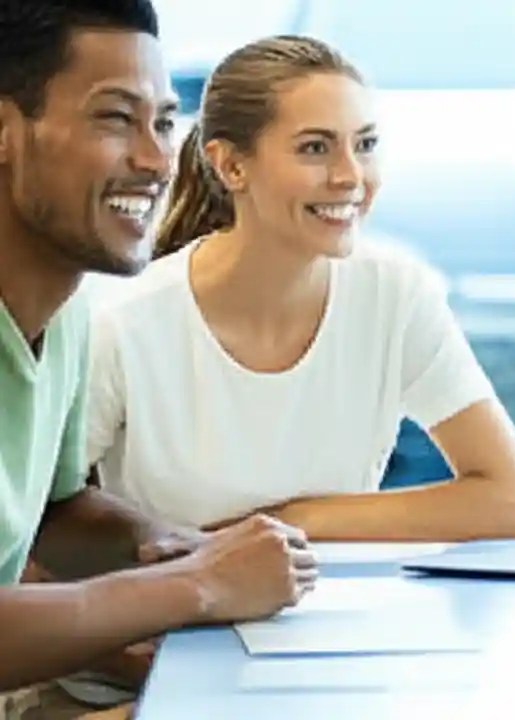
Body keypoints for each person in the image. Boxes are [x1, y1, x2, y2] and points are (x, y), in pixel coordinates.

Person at [85, 34, 515, 542]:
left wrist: (290, 524)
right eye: (315, 148)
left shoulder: (395, 294)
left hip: (334, 613)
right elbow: (40, 523)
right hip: (178, 616)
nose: (351, 176)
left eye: (365, 144)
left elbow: (510, 505)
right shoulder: (123, 323)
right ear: (231, 165)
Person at [0, 0, 317, 716]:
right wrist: (197, 585)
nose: (156, 160)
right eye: (114, 118)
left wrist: (168, 542)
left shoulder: (66, 316)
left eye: (164, 123)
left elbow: (50, 510)